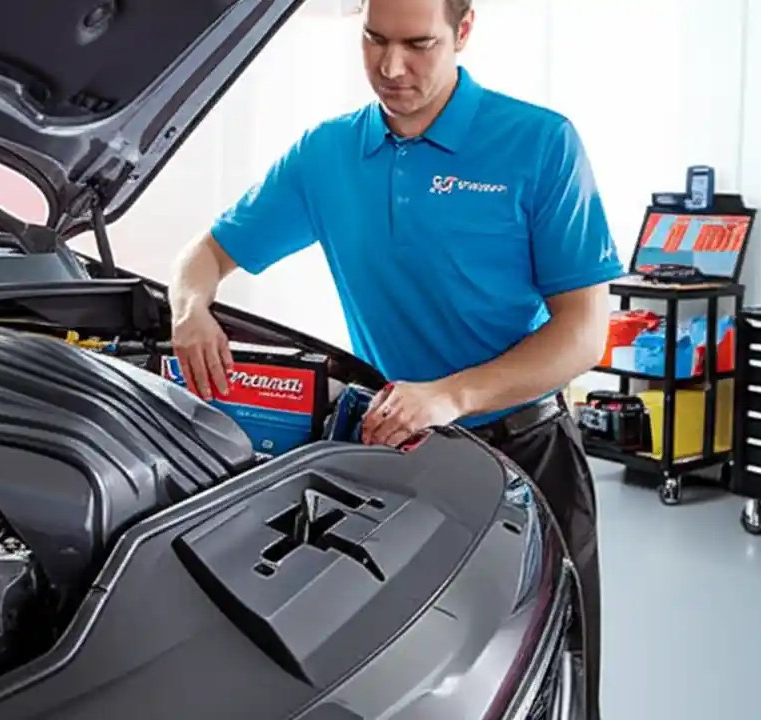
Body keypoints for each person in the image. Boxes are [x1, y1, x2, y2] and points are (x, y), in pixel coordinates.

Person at [167, 0, 622, 714]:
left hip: (528, 454)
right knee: (406, 687)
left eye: (419, 44)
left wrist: (451, 394)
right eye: (374, 40)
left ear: (464, 31)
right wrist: (190, 310)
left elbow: (584, 333)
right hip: (397, 457)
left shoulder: (539, 144)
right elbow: (207, 254)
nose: (390, 67)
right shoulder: (326, 155)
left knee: (550, 682)